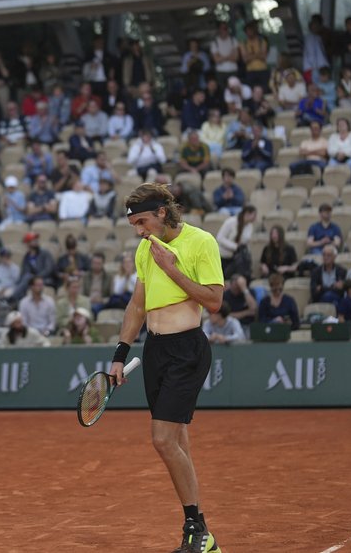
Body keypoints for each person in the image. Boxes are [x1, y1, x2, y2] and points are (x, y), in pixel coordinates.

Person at [107, 182, 225, 553]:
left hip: (187, 350)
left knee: (162, 439)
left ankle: (196, 527)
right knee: (177, 440)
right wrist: (120, 354)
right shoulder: (145, 249)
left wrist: (171, 269)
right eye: (134, 226)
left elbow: (214, 301)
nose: (139, 232)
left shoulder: (201, 242)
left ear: (162, 212)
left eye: (142, 222)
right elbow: (137, 307)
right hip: (155, 351)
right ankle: (201, 536)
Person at [216, 206, 256, 280]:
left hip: (237, 257)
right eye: (253, 215)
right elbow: (220, 238)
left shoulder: (250, 226)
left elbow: (246, 242)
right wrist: (235, 246)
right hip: (224, 256)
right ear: (247, 213)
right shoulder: (230, 222)